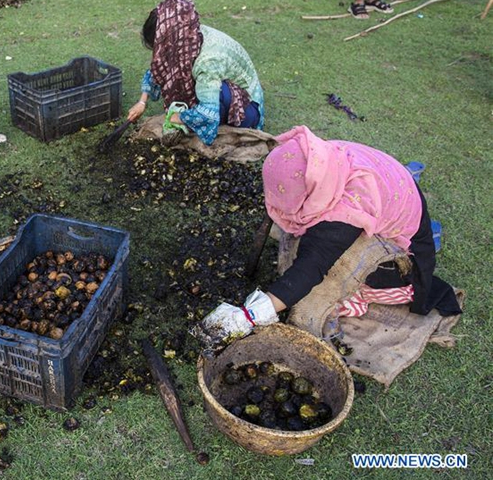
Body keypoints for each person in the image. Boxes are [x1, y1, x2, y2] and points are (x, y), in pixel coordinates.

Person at [194, 126, 462, 351]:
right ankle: (412, 226)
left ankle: (412, 243)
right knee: (319, 242)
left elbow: (312, 267)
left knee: (343, 281)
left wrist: (248, 316)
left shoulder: (346, 212)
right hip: (394, 187)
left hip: (405, 231)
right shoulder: (318, 157)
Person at [126, 0, 265, 147]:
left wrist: (179, 117)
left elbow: (208, 114)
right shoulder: (184, 34)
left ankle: (222, 123)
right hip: (219, 87)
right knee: (179, 71)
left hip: (247, 108)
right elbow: (160, 66)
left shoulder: (208, 61)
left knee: (210, 98)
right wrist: (142, 102)